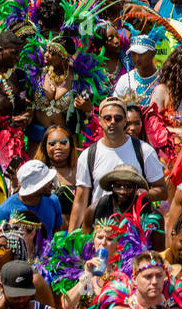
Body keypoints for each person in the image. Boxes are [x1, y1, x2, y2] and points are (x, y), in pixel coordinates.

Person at [68, 98, 167, 231]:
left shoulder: (144, 151)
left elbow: (162, 191)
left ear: (125, 121)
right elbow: (80, 201)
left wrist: (140, 195)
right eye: (107, 118)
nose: (112, 122)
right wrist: (72, 239)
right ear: (100, 121)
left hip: (135, 231)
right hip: (101, 231)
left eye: (118, 118)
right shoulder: (88, 155)